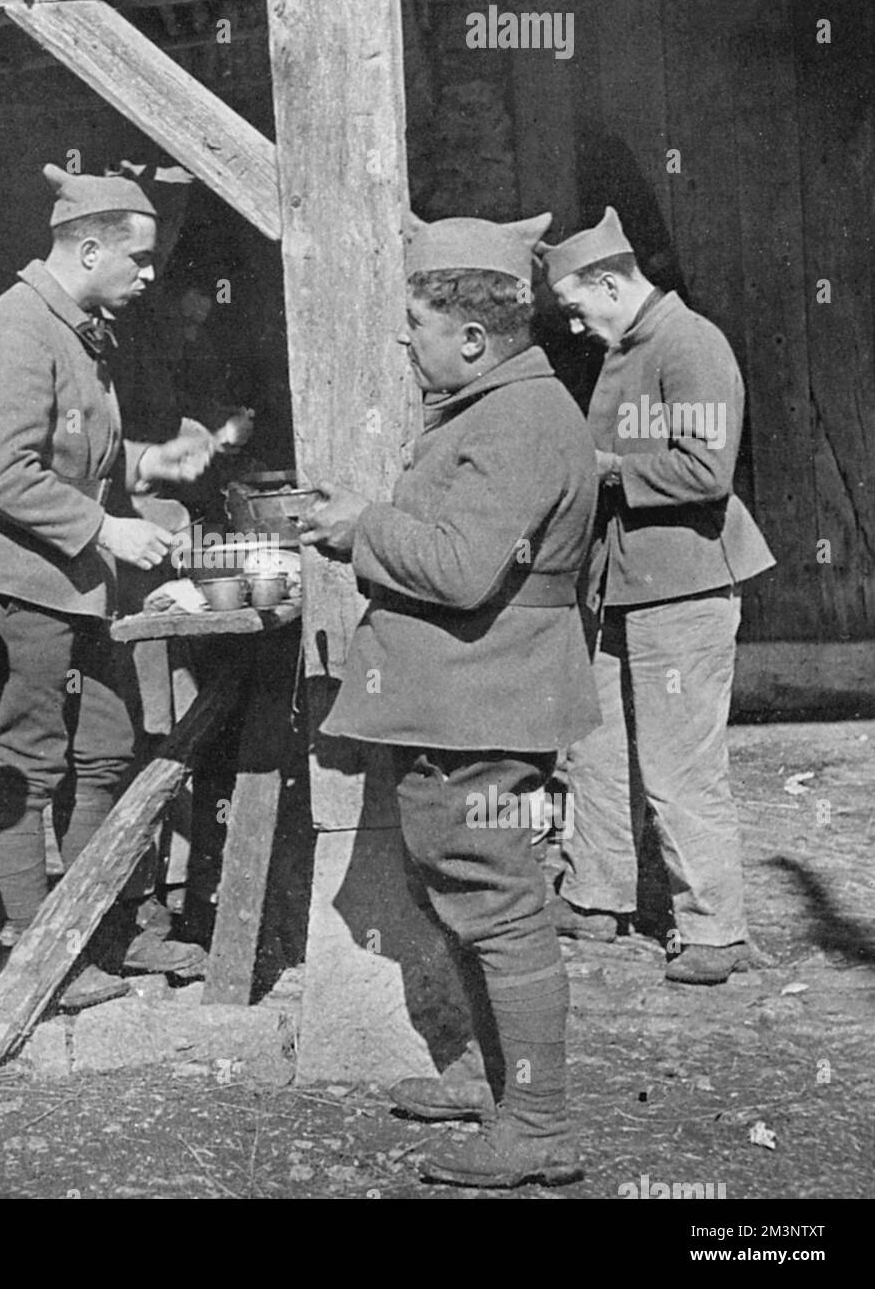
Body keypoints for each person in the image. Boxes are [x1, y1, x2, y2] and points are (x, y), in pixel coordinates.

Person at [301, 212, 600, 1188]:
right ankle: (490, 1078)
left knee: (502, 907)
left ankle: (540, 1124)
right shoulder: (497, 408)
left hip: (487, 701)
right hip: (467, 698)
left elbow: (467, 569)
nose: (404, 340)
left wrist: (362, 526)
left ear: (470, 338)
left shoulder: (515, 419)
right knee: (468, 897)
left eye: (415, 323)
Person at [0, 165, 212, 1009]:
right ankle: (36, 949)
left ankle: (95, 924)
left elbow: (77, 448)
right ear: (87, 248)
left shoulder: (82, 326)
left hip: (78, 584)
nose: (150, 273)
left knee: (103, 750)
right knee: (26, 761)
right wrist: (105, 528)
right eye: (137, 257)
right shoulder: (14, 332)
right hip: (20, 584)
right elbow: (7, 473)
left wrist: (147, 463)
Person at [539, 207, 776, 984]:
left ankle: (714, 929)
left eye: (578, 306)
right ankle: (596, 895)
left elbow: (707, 472)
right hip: (620, 586)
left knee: (679, 763)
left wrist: (600, 467)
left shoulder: (690, 343)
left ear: (611, 282)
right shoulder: (624, 345)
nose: (574, 324)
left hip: (685, 586)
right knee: (595, 749)